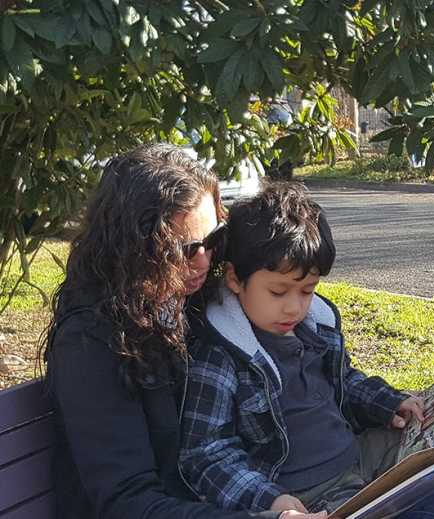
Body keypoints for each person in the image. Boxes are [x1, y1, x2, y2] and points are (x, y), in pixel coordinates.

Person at [43, 143, 321, 519]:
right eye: (182, 249)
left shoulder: (189, 298)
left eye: (213, 240)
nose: (204, 260)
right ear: (135, 247)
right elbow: (127, 501)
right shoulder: (90, 342)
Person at [178, 181, 434, 518]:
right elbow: (205, 454)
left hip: (360, 457)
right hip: (307, 498)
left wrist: (389, 402)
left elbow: (344, 380)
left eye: (307, 291)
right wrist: (271, 502)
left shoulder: (315, 327)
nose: (294, 308)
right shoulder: (220, 353)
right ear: (235, 279)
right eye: (278, 292)